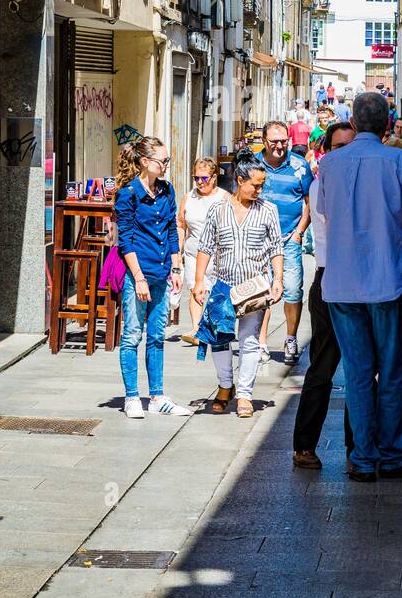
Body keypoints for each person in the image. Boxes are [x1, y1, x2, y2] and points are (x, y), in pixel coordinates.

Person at [317, 92, 402, 480]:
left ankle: (363, 458)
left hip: (342, 283)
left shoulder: (330, 164)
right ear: (387, 125)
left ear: (353, 123)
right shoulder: (399, 160)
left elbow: (327, 213)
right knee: (392, 370)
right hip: (387, 280)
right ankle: (393, 453)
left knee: (357, 373)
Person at [193, 150, 284, 418]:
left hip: (254, 287)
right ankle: (225, 386)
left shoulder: (269, 211)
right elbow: (206, 246)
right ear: (240, 180)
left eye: (262, 185)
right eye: (255, 184)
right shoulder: (217, 210)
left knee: (250, 341)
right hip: (223, 285)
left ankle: (244, 393)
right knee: (219, 339)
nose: (259, 189)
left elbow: (276, 248)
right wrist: (199, 281)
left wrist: (277, 280)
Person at [293, 120, 357, 469]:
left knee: (362, 370)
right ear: (325, 153)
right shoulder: (321, 186)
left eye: (351, 146)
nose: (345, 154)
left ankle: (355, 448)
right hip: (330, 280)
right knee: (323, 365)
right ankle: (304, 445)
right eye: (338, 147)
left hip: (358, 282)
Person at [113, 135, 192, 418]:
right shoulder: (128, 194)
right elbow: (126, 241)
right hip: (139, 274)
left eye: (168, 160)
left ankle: (157, 396)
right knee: (132, 335)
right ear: (145, 162)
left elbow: (172, 229)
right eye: (163, 160)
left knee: (157, 336)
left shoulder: (167, 190)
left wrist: (177, 267)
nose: (166, 165)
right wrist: (139, 278)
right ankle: (132, 397)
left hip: (162, 272)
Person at [255, 121, 313, 366]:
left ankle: (290, 338)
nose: (279, 146)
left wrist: (300, 232)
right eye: (274, 141)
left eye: (284, 141)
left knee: (292, 289)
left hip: (289, 238)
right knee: (260, 291)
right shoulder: (252, 164)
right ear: (264, 141)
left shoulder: (300, 166)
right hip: (258, 240)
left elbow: (311, 201)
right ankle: (260, 342)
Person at [176, 157, 227, 347]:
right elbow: (181, 224)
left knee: (215, 292)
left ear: (213, 178)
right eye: (196, 178)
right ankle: (196, 329)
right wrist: (178, 252)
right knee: (195, 290)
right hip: (193, 253)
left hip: (217, 254)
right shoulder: (189, 197)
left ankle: (214, 328)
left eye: (204, 178)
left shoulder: (224, 198)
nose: (199, 182)